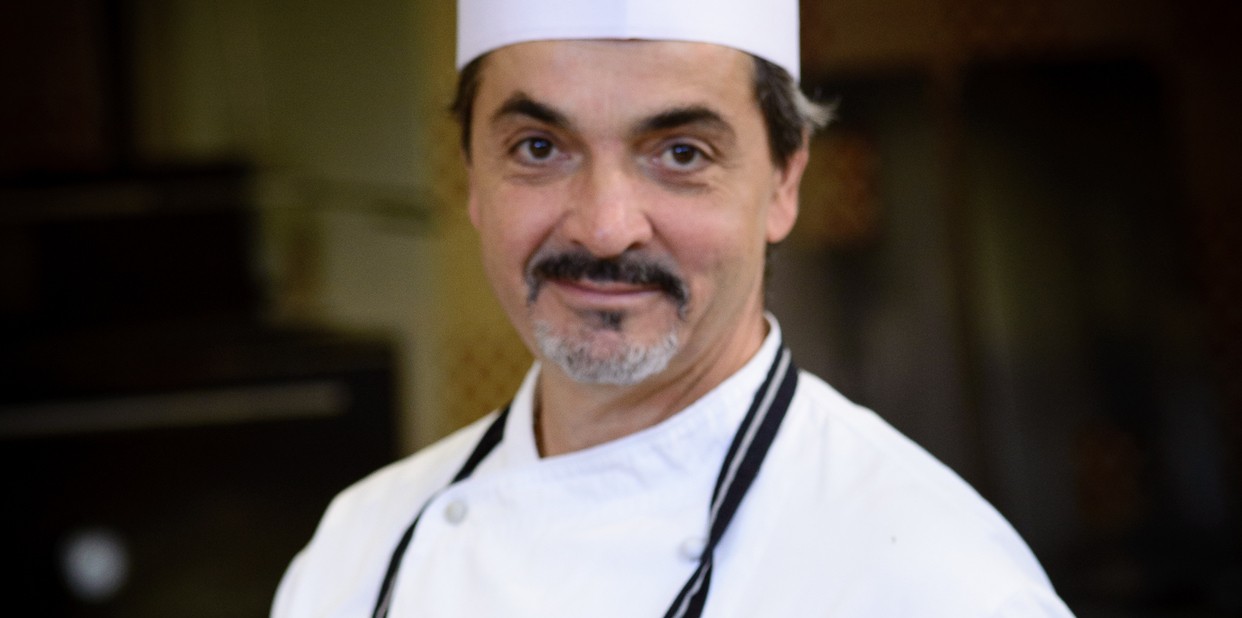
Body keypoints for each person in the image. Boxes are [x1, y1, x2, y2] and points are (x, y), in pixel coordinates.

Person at [272, 1, 1075, 616]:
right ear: (472, 178)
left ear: (784, 183)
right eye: (539, 148)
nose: (604, 228)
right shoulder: (359, 551)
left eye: (681, 154)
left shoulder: (935, 581)